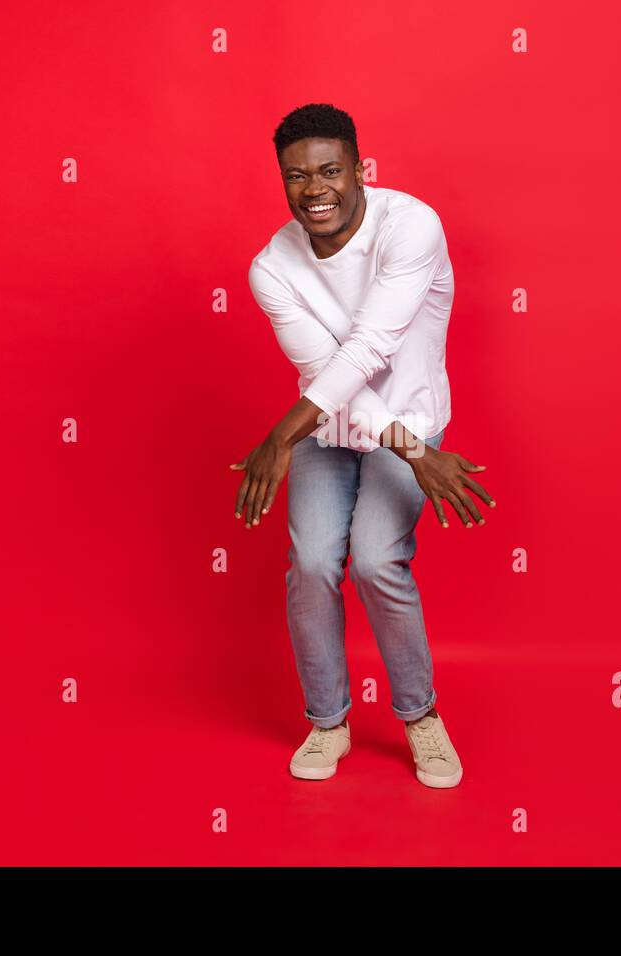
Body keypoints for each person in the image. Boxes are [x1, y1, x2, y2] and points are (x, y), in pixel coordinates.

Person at [232, 103, 494, 788]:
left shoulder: (410, 227)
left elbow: (370, 348)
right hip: (330, 423)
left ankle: (421, 718)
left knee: (379, 561)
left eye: (329, 171)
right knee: (312, 562)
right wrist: (309, 435)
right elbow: (331, 373)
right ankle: (328, 723)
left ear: (358, 169)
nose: (314, 190)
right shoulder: (272, 268)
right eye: (296, 176)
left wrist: (280, 437)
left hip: (407, 420)